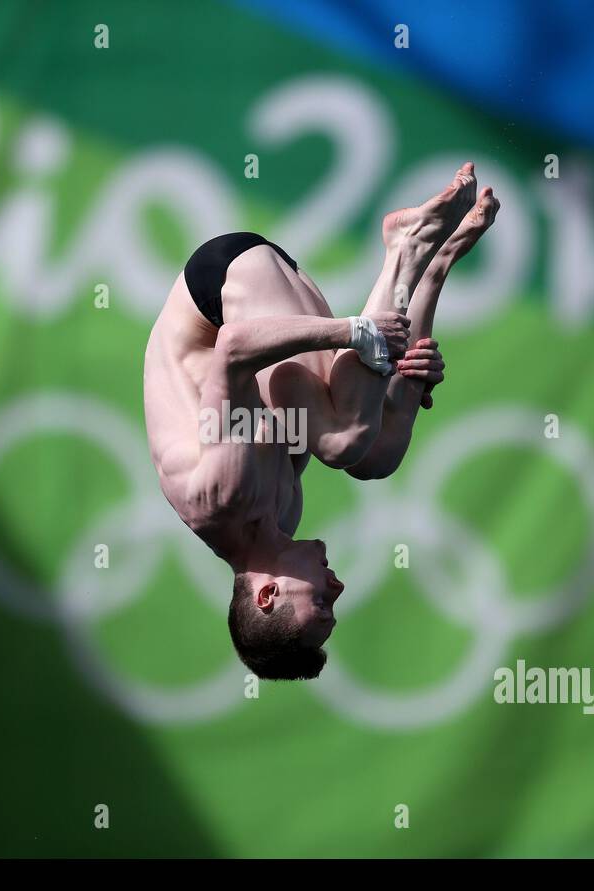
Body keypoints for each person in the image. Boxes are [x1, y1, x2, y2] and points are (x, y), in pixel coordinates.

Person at [143, 162, 500, 679]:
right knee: (376, 454)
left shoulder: (222, 495)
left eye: (322, 605)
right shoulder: (280, 515)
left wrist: (351, 332)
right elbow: (299, 396)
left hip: (223, 285)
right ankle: (433, 267)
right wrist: (406, 375)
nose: (338, 589)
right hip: (261, 315)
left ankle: (406, 248)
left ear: (267, 595)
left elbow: (234, 349)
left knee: (342, 441)